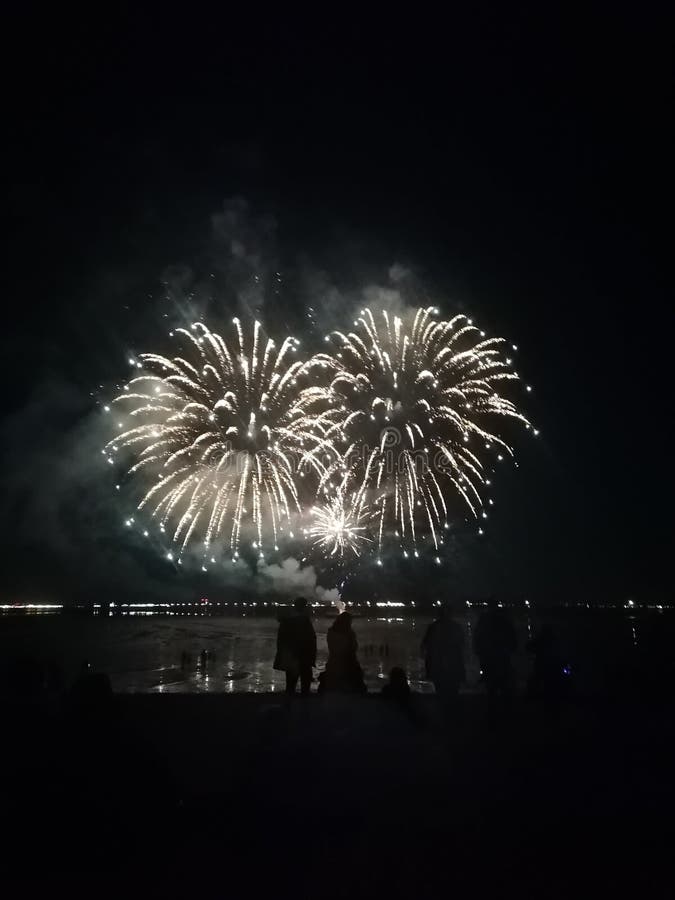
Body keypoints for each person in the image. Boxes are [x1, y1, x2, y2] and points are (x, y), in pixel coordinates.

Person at [473, 597, 517, 700]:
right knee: (502, 682)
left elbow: (478, 636)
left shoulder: (484, 619)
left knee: (491, 683)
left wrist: (478, 650)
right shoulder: (503, 619)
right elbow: (512, 636)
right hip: (501, 654)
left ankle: (493, 705)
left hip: (489, 655)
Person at [421, 603, 465, 703]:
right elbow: (462, 644)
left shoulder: (434, 627)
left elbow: (425, 643)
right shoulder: (455, 627)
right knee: (452, 689)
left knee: (440, 688)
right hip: (451, 662)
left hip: (439, 662)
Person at [274, 597, 317, 695]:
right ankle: (304, 706)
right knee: (305, 686)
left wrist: (282, 656)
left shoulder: (286, 621)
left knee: (290, 685)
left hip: (291, 656)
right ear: (304, 607)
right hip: (304, 657)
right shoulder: (305, 621)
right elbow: (311, 640)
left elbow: (281, 641)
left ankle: (289, 706)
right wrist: (312, 658)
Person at [318, 612, 366, 694]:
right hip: (348, 663)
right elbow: (353, 647)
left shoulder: (331, 632)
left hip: (333, 662)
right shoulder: (349, 633)